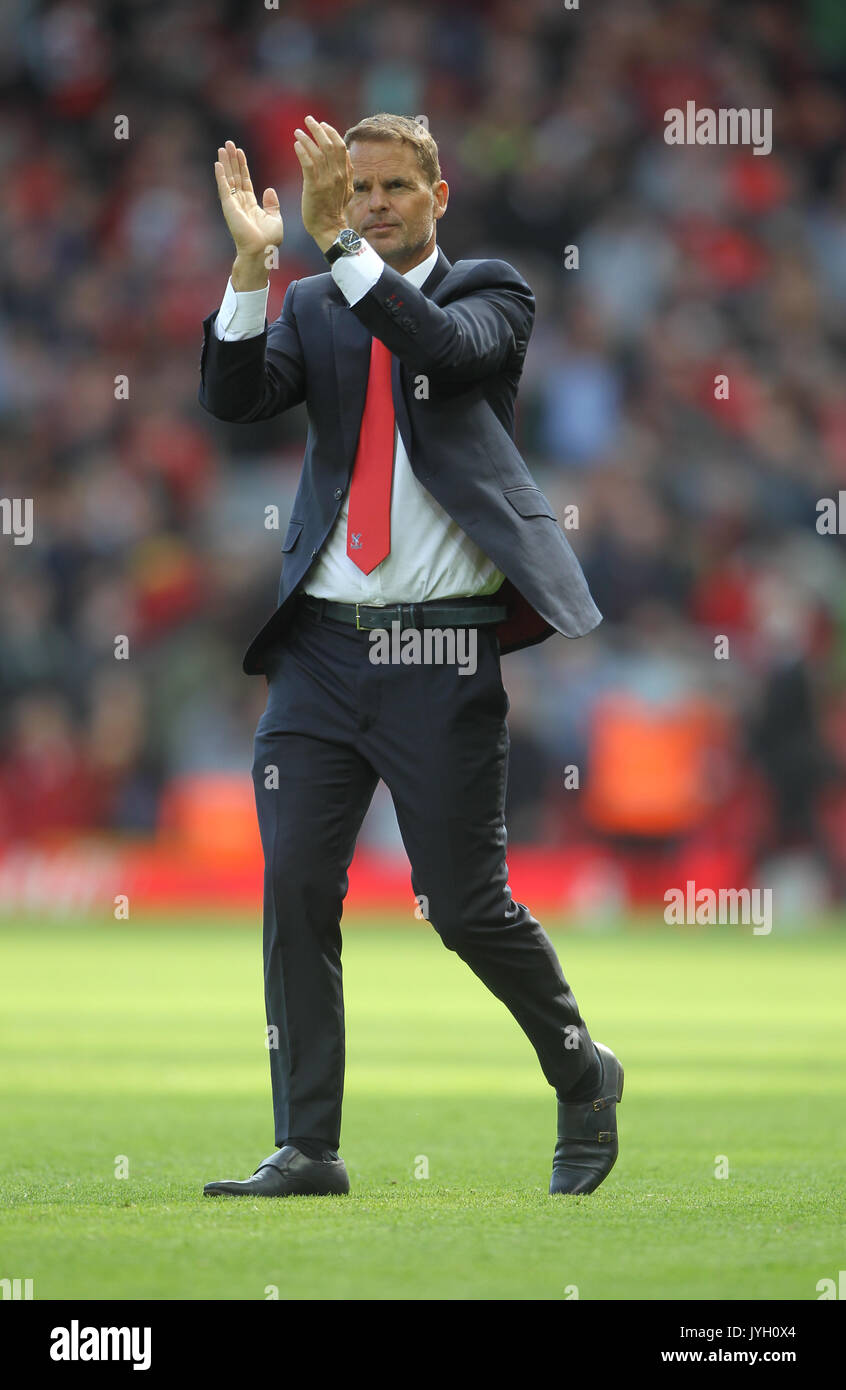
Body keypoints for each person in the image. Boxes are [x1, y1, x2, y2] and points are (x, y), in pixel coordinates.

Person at [199, 113, 623, 1199]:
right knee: (296, 882)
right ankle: (308, 1146)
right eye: (357, 188)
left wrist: (334, 244)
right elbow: (234, 401)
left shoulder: (494, 292)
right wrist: (253, 269)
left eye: (392, 187)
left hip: (442, 647)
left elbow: (439, 349)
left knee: (464, 904)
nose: (374, 204)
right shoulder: (309, 302)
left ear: (441, 192)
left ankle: (582, 1070)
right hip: (321, 650)